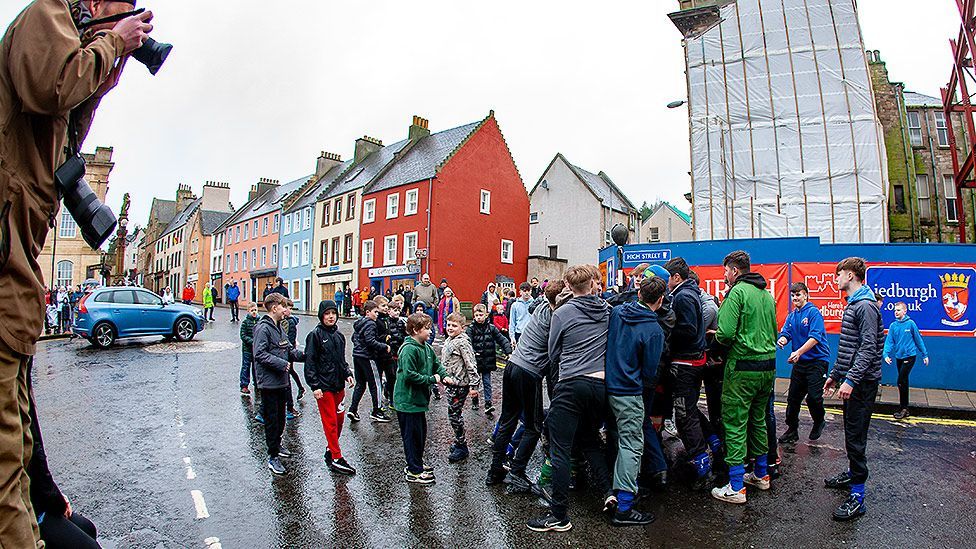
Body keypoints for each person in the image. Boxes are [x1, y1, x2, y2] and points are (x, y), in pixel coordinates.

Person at [1, 2, 152, 535]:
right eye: (122, 9)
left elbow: (64, 136)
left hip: (16, 261)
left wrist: (106, 72)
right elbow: (52, 88)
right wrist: (110, 43)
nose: (126, 20)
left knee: (19, 443)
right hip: (8, 258)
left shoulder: (71, 39)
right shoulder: (47, 13)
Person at [528, 265, 613, 533]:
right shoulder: (607, 311)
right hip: (599, 385)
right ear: (592, 284)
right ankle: (609, 492)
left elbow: (553, 351)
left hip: (571, 383)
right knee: (589, 440)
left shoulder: (562, 313)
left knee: (560, 448)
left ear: (569, 286)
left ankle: (559, 515)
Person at [487, 280, 568, 493]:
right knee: (534, 426)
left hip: (512, 365)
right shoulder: (556, 318)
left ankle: (495, 470)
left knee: (508, 420)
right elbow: (554, 355)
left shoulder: (541, 307)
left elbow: (535, 304)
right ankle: (517, 471)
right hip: (529, 372)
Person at [711, 251, 778, 505]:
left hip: (742, 367)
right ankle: (761, 474)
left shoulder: (737, 293)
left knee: (735, 423)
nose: (724, 275)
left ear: (735, 271)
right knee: (758, 419)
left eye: (726, 271)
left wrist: (715, 346)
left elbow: (726, 333)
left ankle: (736, 486)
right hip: (767, 368)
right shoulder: (766, 295)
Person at [823, 257, 883, 521]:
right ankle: (852, 474)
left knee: (856, 437)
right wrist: (836, 376)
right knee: (851, 433)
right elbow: (849, 347)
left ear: (849, 275)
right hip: (854, 380)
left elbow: (868, 348)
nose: (836, 279)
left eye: (838, 274)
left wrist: (851, 380)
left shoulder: (865, 306)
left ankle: (858, 496)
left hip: (863, 383)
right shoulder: (855, 304)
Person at [606, 276, 666, 527]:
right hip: (630, 391)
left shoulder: (618, 313)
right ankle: (625, 506)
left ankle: (617, 490)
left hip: (608, 386)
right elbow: (650, 371)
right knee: (631, 445)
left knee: (616, 439)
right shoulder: (654, 330)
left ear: (639, 293)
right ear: (660, 300)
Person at [663, 257, 715, 490]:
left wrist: (667, 330)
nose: (666, 283)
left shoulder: (683, 296)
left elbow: (689, 329)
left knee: (684, 414)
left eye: (668, 278)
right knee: (690, 409)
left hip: (686, 362)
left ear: (676, 277)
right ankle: (714, 442)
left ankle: (701, 464)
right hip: (693, 360)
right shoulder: (690, 292)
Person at [394, 313, 451, 484]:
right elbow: (409, 375)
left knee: (420, 435)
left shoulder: (426, 347)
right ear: (415, 330)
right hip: (407, 401)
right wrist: (432, 379)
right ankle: (413, 471)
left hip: (418, 401)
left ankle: (416, 463)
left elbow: (436, 365)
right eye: (427, 328)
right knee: (411, 437)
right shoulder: (409, 350)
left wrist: (444, 375)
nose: (431, 331)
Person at [253, 293, 306, 475]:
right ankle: (272, 456)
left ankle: (277, 444)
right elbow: (259, 354)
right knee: (272, 420)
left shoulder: (279, 327)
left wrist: (307, 356)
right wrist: (282, 364)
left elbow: (289, 349)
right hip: (269, 383)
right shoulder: (263, 328)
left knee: (281, 418)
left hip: (281, 381)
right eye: (283, 306)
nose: (286, 310)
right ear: (274, 308)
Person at [304, 300, 357, 475]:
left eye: (333, 313)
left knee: (340, 420)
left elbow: (341, 360)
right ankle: (336, 457)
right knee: (330, 422)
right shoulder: (315, 335)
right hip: (324, 386)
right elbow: (310, 362)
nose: (331, 316)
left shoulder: (339, 335)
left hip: (338, 385)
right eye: (327, 313)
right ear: (321, 316)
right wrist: (315, 386)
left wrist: (347, 373)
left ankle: (330, 448)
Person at [777, 282, 830, 443]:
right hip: (800, 363)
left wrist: (799, 352)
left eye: (798, 295)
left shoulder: (813, 313)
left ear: (806, 295)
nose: (795, 298)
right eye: (793, 295)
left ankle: (819, 421)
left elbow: (815, 338)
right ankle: (792, 430)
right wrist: (783, 340)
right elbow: (786, 332)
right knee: (793, 399)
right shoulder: (792, 316)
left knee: (813, 398)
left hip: (817, 361)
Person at [441, 313, 481, 463]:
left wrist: (474, 386)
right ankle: (459, 440)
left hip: (459, 385)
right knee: (453, 414)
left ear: (462, 328)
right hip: (450, 383)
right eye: (448, 325)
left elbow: (471, 364)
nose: (450, 328)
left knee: (454, 416)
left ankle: (462, 446)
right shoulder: (449, 339)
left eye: (454, 325)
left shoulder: (463, 343)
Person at [883, 302, 929, 420]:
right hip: (899, 357)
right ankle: (905, 408)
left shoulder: (911, 324)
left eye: (898, 310)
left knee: (901, 380)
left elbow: (918, 339)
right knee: (904, 382)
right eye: (895, 310)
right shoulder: (893, 326)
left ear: (905, 311)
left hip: (909, 356)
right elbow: (889, 341)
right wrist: (886, 354)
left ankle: (903, 408)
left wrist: (924, 354)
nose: (896, 312)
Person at [349, 301, 392, 423]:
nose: (377, 314)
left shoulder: (360, 323)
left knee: (360, 384)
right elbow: (370, 341)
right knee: (376, 384)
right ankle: (377, 411)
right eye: (375, 312)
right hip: (368, 357)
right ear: (368, 312)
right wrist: (384, 346)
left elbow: (353, 338)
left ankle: (353, 409)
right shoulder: (371, 324)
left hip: (357, 355)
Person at [467, 304, 512, 414]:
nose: (478, 317)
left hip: (487, 361)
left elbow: (502, 339)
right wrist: (472, 353)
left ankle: (488, 402)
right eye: (476, 315)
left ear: (486, 315)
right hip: (475, 362)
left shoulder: (491, 328)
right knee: (475, 383)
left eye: (480, 315)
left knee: (487, 383)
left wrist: (508, 352)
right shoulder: (471, 329)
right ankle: (475, 400)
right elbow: (467, 343)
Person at [280, 303, 305, 419]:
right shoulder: (284, 321)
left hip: (289, 352)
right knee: (290, 371)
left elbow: (289, 339)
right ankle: (300, 388)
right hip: (287, 351)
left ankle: (290, 407)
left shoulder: (290, 322)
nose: (288, 310)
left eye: (289, 308)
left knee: (288, 373)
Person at [239, 304, 259, 395]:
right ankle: (244, 385)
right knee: (246, 367)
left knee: (256, 367)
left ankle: (257, 383)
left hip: (256, 349)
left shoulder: (259, 322)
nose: (254, 312)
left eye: (255, 310)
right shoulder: (245, 322)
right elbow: (243, 335)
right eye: (252, 310)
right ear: (248, 311)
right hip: (247, 349)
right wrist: (252, 341)